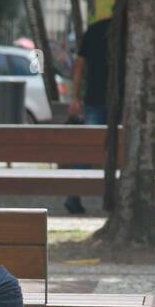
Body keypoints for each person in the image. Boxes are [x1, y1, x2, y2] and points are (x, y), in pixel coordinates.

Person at [65, 16, 112, 214]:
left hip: (94, 99)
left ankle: (74, 195)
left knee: (88, 150)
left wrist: (75, 96)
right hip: (121, 102)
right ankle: (115, 199)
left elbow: (79, 67)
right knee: (121, 150)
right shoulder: (130, 32)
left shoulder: (94, 30)